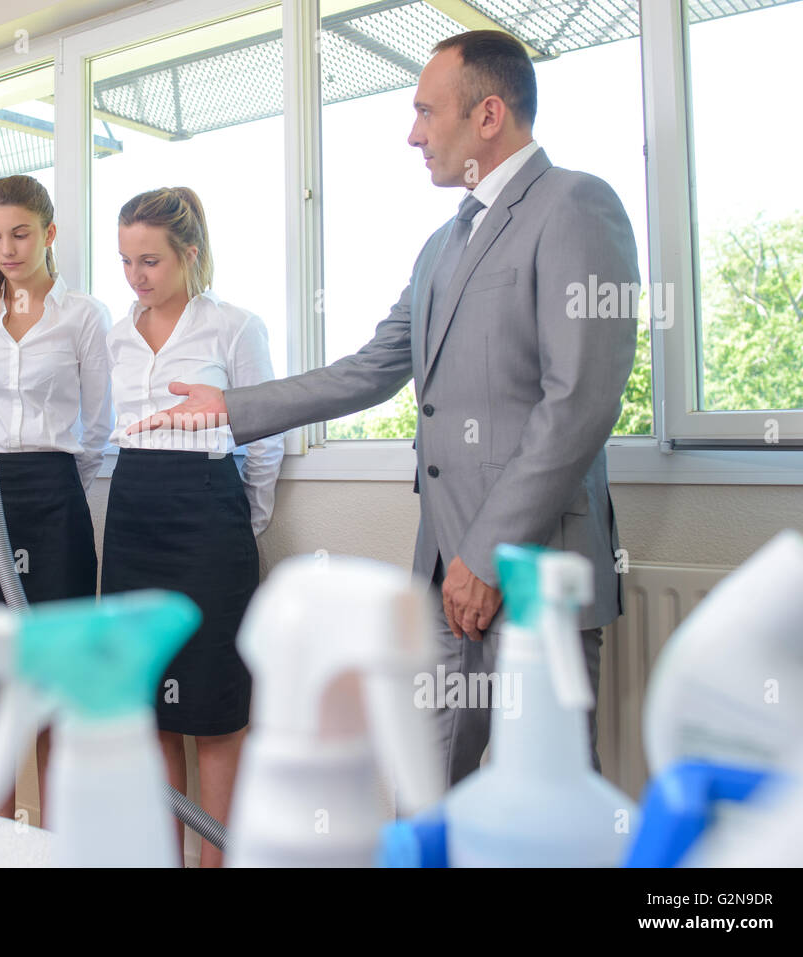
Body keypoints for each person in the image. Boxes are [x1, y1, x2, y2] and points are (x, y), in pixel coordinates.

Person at [129, 31, 639, 790]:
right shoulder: (442, 245)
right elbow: (370, 370)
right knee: (427, 784)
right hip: (442, 571)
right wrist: (227, 408)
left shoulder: (576, 205)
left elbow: (582, 400)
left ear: (489, 115)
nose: (413, 133)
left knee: (555, 798)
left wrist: (490, 552)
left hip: (531, 568)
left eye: (427, 112)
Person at [103, 186, 283, 866]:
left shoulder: (235, 326)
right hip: (132, 516)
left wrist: (239, 524)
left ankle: (217, 859)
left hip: (208, 519)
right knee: (147, 707)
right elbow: (102, 434)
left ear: (190, 254)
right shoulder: (115, 334)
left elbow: (264, 441)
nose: (136, 276)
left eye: (150, 260)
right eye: (125, 261)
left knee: (212, 708)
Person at [0, 175, 112, 821]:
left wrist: (54, 481)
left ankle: (56, 842)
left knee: (52, 679)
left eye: (20, 233)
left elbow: (99, 425)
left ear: (49, 233)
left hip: (53, 497)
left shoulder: (83, 315)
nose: (6, 248)